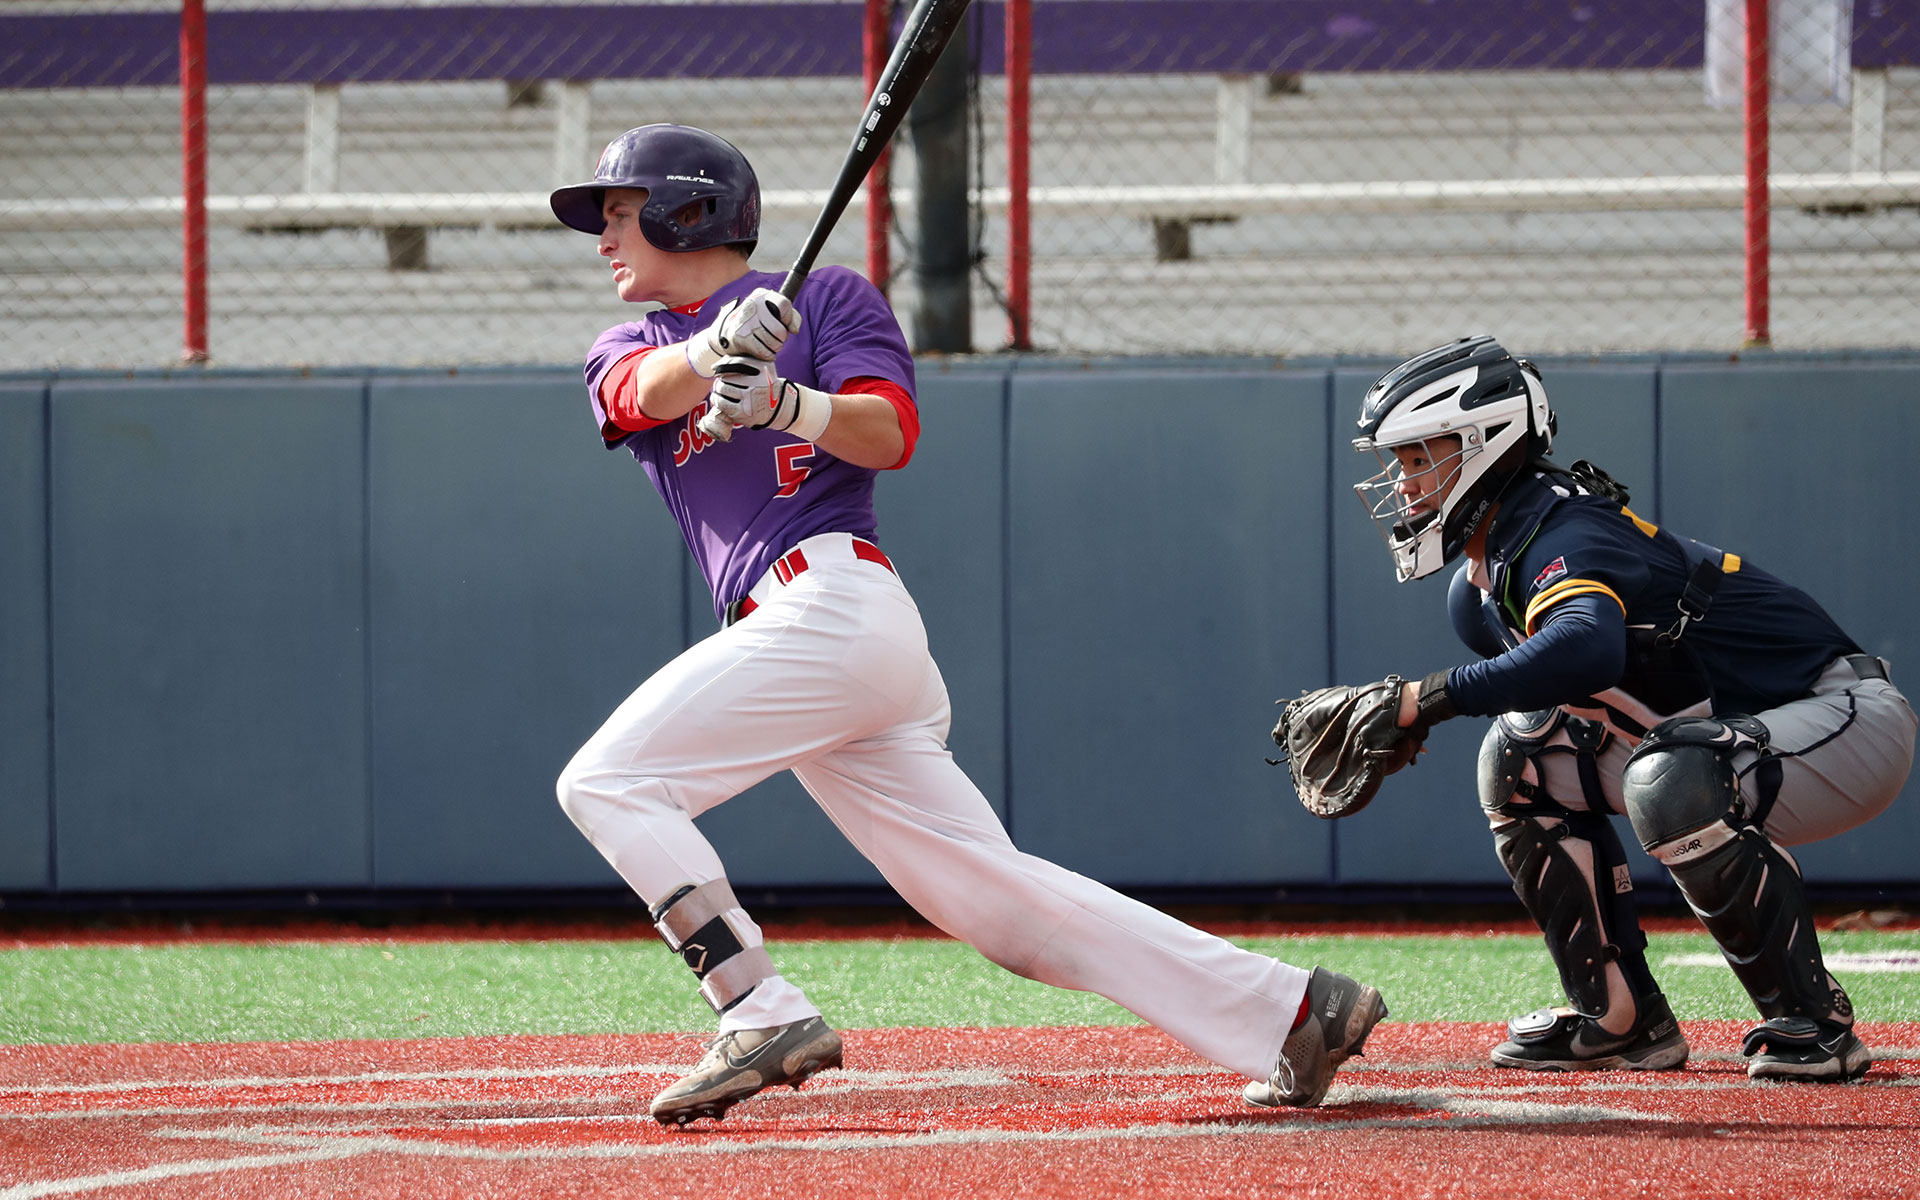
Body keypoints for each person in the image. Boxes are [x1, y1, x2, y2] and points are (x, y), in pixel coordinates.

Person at [546, 123, 1386, 1126]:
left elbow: (888, 431)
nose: (604, 238)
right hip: (814, 643)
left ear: (691, 210)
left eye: (624, 214)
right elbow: (640, 392)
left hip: (834, 607)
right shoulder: (627, 342)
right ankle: (1294, 1010)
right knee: (1003, 913)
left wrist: (784, 402)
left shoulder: (832, 299)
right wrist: (716, 347)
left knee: (607, 780)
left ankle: (756, 1007)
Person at [1348, 334, 1915, 1082]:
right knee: (1519, 756)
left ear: (1486, 444)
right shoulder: (1484, 584)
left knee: (1670, 779)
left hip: (1844, 715)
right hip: (1735, 742)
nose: (1404, 482)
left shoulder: (1565, 531)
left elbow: (1586, 647)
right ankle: (1618, 1018)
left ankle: (1814, 1023)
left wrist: (1431, 700)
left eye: (1420, 457)